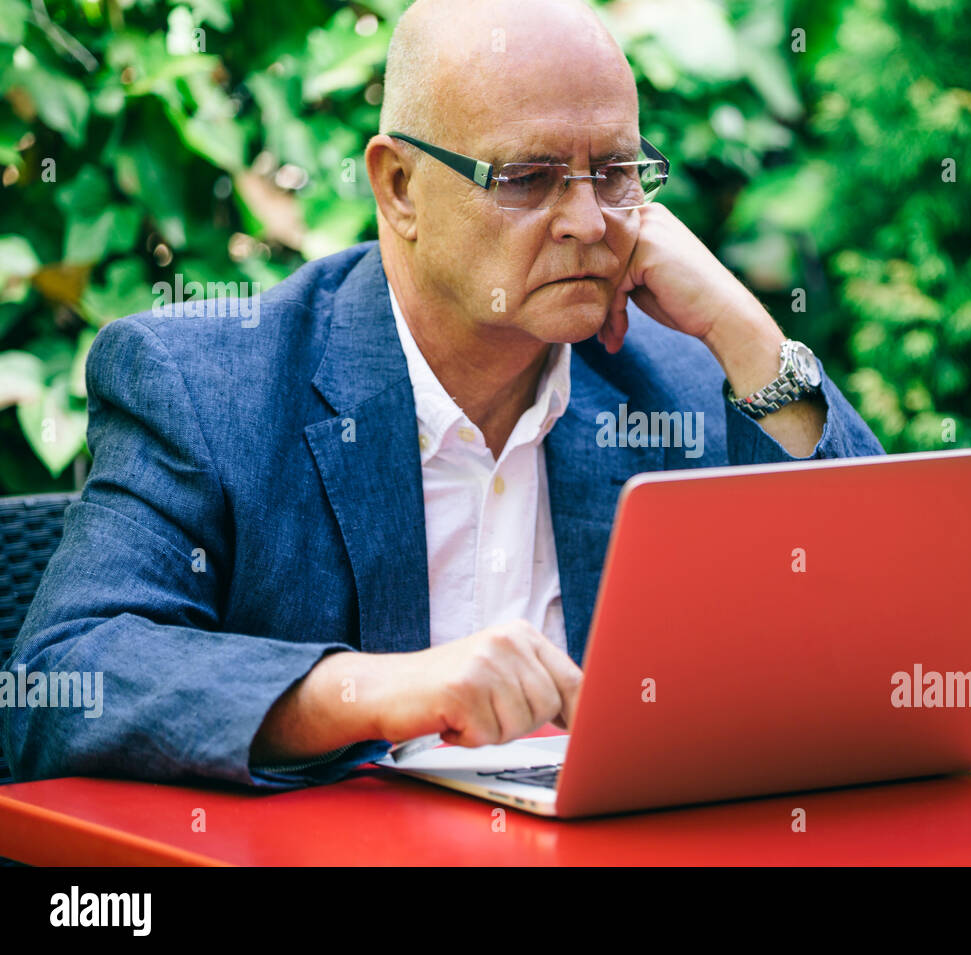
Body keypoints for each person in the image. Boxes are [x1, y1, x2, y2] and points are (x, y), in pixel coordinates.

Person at [2, 0, 884, 788]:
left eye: (615, 173)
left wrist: (749, 334)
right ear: (398, 187)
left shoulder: (681, 377)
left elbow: (884, 638)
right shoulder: (206, 386)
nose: (586, 221)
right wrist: (377, 690)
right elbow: (63, 677)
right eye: (528, 178)